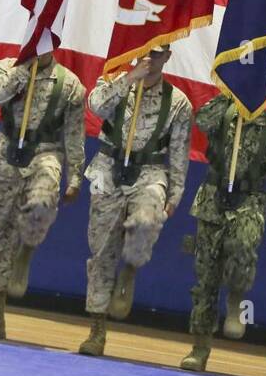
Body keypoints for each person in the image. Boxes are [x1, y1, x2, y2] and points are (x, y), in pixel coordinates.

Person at [78, 45, 191, 357]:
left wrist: (176, 192)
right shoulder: (115, 82)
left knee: (145, 220)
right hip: (107, 170)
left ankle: (131, 265)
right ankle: (97, 329)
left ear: (167, 56)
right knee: (101, 251)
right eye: (146, 52)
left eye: (157, 54)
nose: (149, 58)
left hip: (150, 172)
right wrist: (130, 78)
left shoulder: (177, 101)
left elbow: (179, 151)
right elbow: (96, 106)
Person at [0, 51, 86, 340]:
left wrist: (75, 175)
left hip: (45, 154)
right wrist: (22, 71)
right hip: (6, 153)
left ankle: (28, 248)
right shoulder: (6, 67)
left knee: (42, 202)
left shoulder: (70, 84)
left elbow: (74, 134)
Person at [180, 94, 266, 373]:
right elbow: (201, 121)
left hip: (249, 202)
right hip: (212, 199)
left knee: (242, 246)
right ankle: (200, 348)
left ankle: (236, 296)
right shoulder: (221, 115)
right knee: (205, 278)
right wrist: (230, 91)